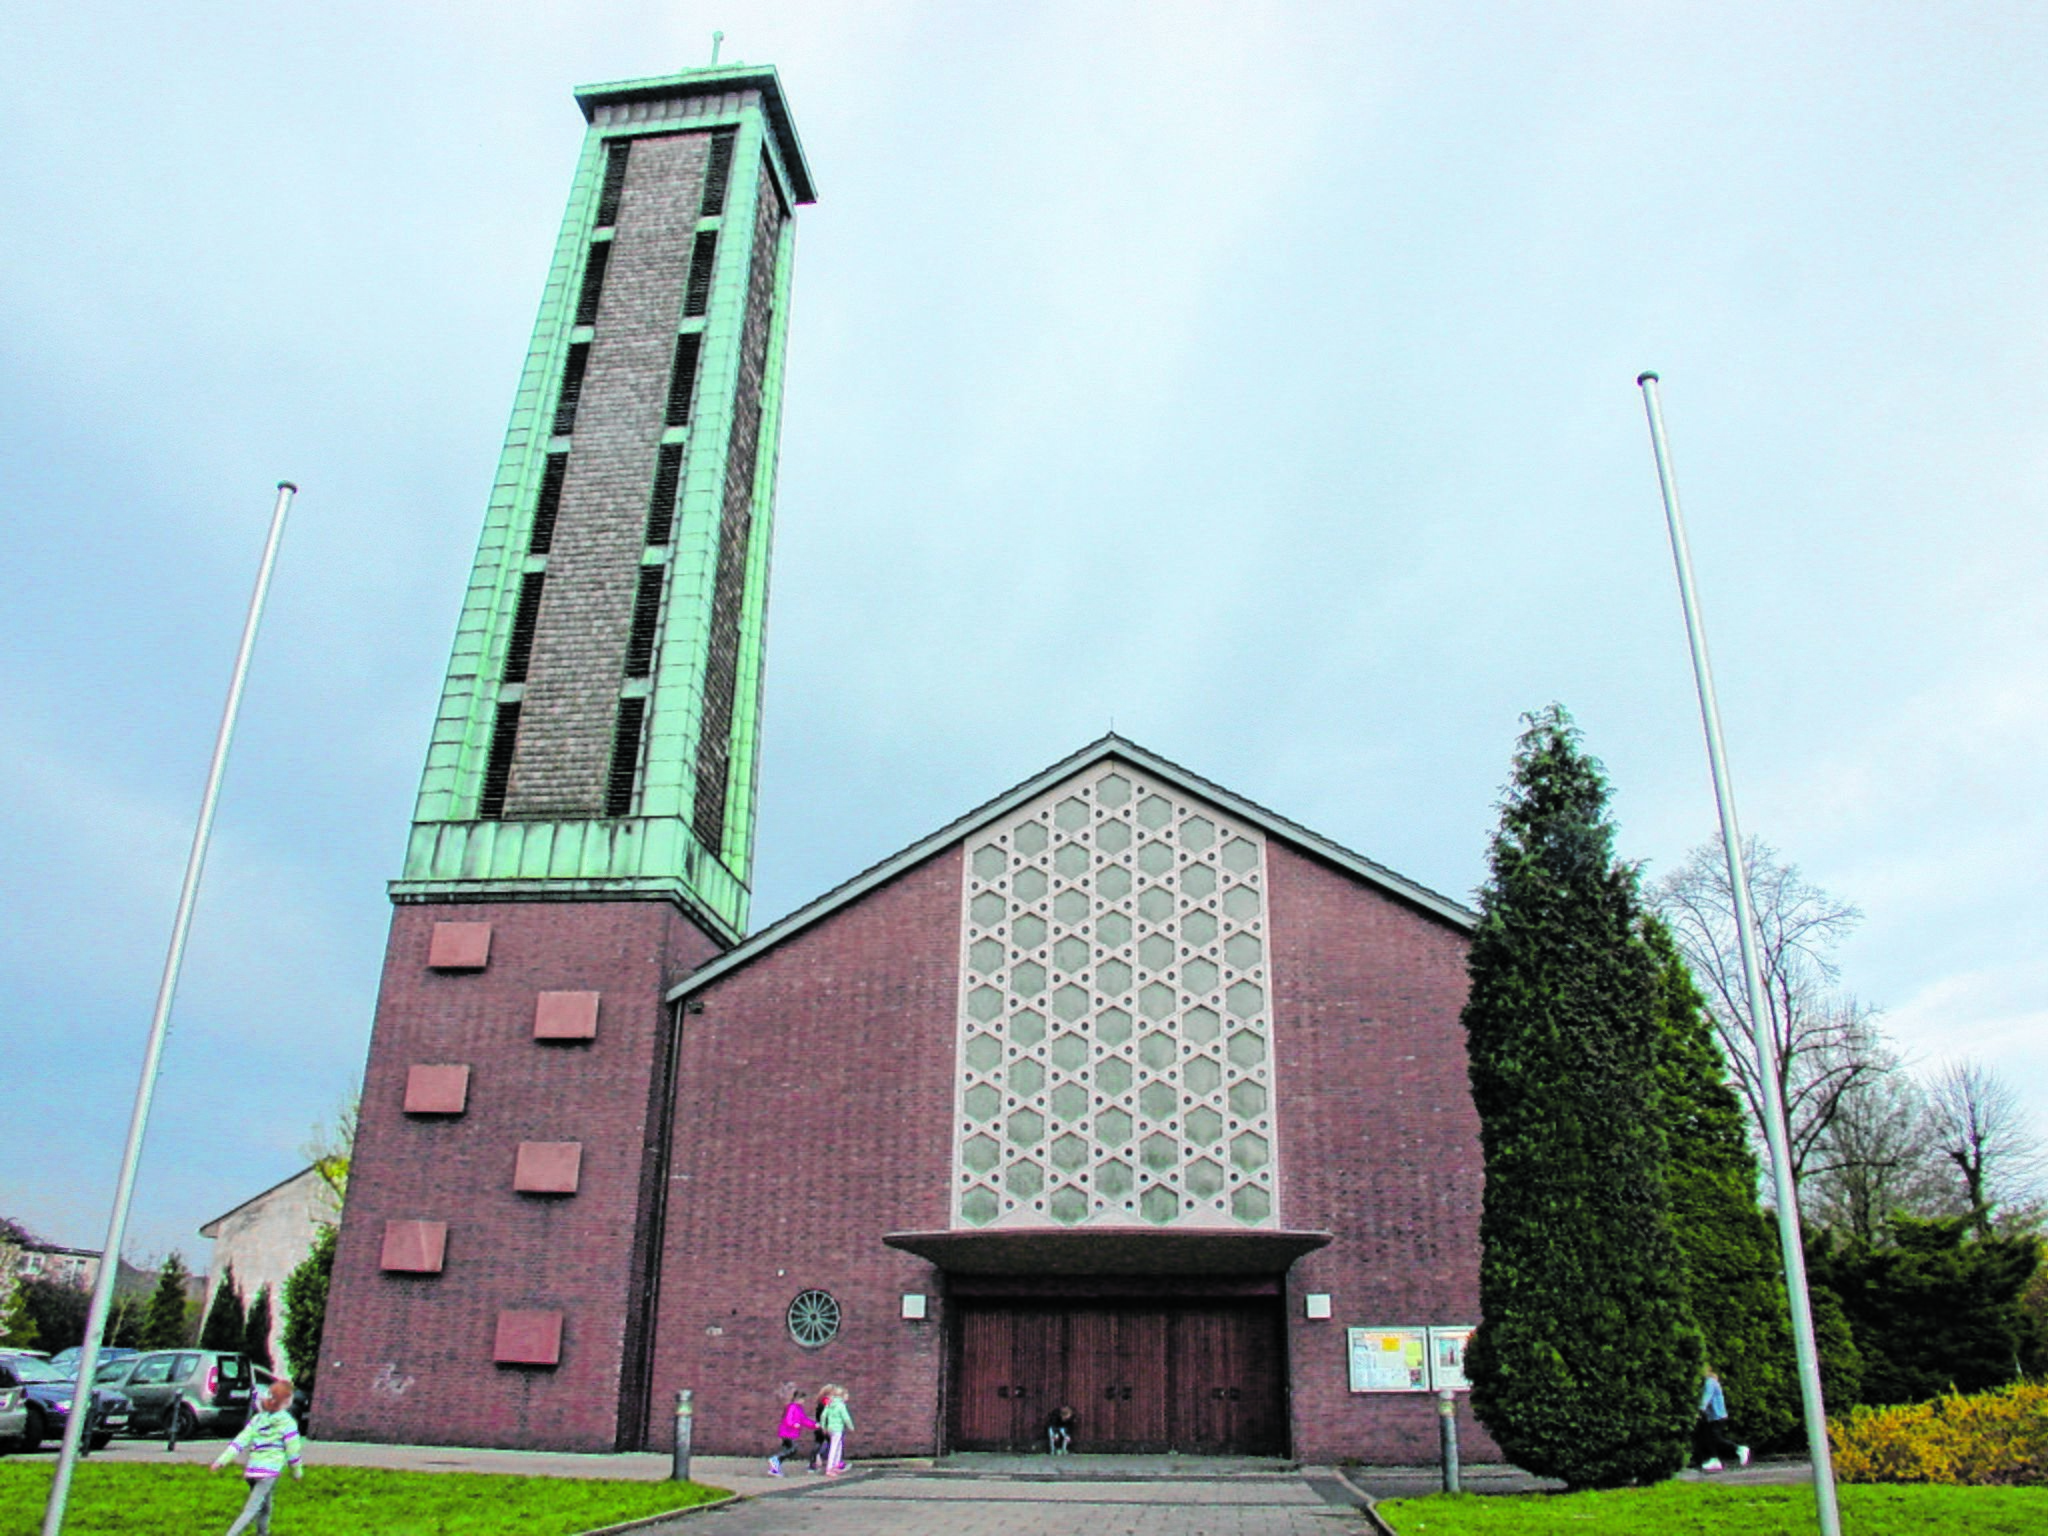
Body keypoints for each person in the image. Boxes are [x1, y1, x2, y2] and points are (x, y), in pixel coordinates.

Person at [211, 1375, 305, 1535]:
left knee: (265, 1507)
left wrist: (221, 1461)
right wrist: (297, 1472)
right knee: (251, 1509)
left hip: (252, 1471)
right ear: (288, 1400)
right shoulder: (288, 1423)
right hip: (268, 1473)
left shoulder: (257, 1419)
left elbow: (239, 1441)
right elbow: (292, 1451)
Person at [1696, 1366, 1750, 1471]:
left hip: (1717, 1415)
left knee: (1716, 1438)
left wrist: (1700, 1410)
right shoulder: (1709, 1382)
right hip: (1712, 1416)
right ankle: (1714, 1460)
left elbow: (1707, 1397)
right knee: (1709, 1438)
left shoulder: (1710, 1382)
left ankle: (1739, 1449)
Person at [769, 1385, 816, 1477]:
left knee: (787, 1449)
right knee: (792, 1449)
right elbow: (788, 1419)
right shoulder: (792, 1407)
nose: (803, 1401)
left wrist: (814, 1425)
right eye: (802, 1399)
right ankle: (775, 1459)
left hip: (791, 1433)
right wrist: (793, 1424)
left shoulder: (799, 1408)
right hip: (787, 1432)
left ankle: (775, 1467)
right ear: (797, 1399)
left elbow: (804, 1420)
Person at [819, 1384, 854, 1475]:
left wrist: (823, 1426)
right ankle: (830, 1468)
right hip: (837, 1428)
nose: (847, 1397)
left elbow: (823, 1415)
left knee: (838, 1446)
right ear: (842, 1396)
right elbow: (846, 1418)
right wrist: (850, 1426)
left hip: (830, 1428)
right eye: (846, 1395)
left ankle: (835, 1465)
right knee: (835, 1447)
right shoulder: (841, 1405)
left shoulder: (830, 1404)